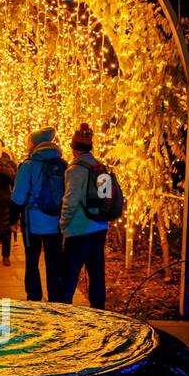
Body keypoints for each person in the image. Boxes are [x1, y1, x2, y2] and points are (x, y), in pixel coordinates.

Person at [58, 124, 117, 308]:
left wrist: (63, 224)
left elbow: (70, 201)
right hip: (99, 227)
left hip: (78, 230)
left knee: (69, 275)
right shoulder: (100, 166)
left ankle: (64, 312)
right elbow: (107, 197)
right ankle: (98, 309)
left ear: (73, 148)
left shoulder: (75, 169)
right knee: (97, 273)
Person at [9, 127, 67, 301]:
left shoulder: (28, 165)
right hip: (56, 220)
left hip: (32, 222)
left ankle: (34, 297)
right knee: (54, 262)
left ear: (34, 144)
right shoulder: (62, 164)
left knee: (32, 261)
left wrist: (13, 219)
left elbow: (18, 196)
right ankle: (55, 298)